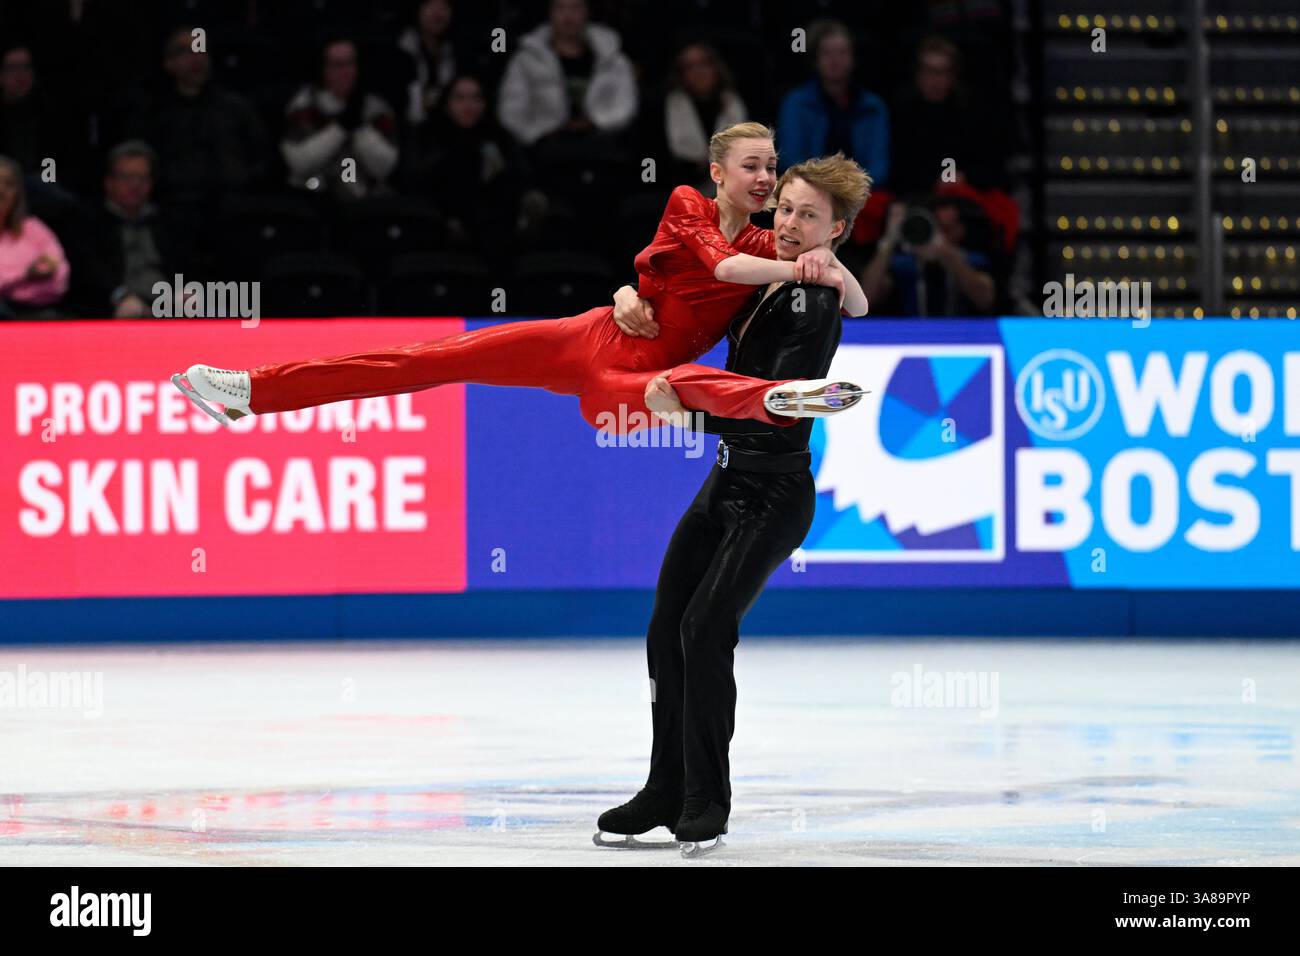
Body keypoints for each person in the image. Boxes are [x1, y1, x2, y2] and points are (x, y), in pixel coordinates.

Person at [172, 123, 869, 431]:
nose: (764, 178)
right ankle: (247, 392)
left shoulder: (766, 238)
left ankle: (782, 399)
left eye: (771, 167)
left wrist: (830, 262)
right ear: (718, 172)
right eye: (752, 166)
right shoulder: (692, 205)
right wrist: (627, 294)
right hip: (588, 337)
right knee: (428, 360)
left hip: (630, 378)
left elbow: (858, 307)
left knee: (646, 394)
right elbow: (721, 267)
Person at [593, 153, 872, 851]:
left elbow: (771, 409)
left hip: (774, 493)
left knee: (705, 630)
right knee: (666, 629)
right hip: (724, 483)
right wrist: (630, 299)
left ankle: (704, 799)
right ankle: (664, 787)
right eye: (785, 206)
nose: (788, 223)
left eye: (809, 216)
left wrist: (682, 415)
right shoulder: (769, 277)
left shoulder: (812, 301)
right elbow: (694, 293)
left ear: (835, 231)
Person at [281, 36, 400, 200]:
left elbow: (385, 167)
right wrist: (341, 128)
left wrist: (360, 129)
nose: (345, 71)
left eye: (350, 63)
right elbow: (300, 163)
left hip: (364, 201)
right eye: (337, 65)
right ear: (323, 68)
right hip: (312, 197)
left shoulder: (376, 108)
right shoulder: (304, 105)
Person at [776, 19, 889, 184]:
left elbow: (880, 168)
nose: (835, 60)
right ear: (816, 59)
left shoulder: (873, 107)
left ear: (853, 58)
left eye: (842, 52)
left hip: (861, 194)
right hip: (810, 190)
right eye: (827, 53)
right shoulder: (796, 104)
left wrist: (849, 190)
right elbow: (790, 160)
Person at [860, 196, 997, 316]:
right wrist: (889, 240)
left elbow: (985, 299)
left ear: (961, 229)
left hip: (961, 337)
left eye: (945, 229)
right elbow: (866, 299)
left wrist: (945, 252)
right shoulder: (901, 264)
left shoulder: (972, 260)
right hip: (911, 337)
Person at [661, 43, 749, 192]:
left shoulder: (733, 102)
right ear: (681, 74)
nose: (699, 72)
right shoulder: (668, 106)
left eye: (704, 63)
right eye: (689, 66)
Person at [0, 155, 69, 317]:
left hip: (38, 313)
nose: (1, 190)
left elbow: (60, 279)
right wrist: (25, 275)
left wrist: (9, 281)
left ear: (18, 193)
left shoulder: (34, 229)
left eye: (9, 184)